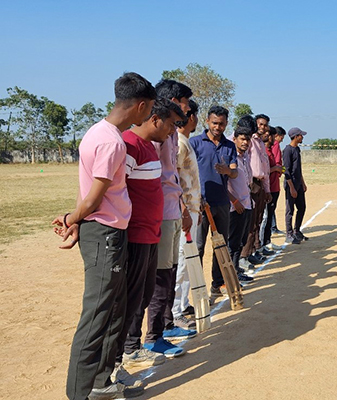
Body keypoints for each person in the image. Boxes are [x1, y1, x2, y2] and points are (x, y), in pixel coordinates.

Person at [53, 72, 155, 400]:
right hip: (105, 235)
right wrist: (72, 218)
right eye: (150, 109)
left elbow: (91, 196)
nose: (149, 116)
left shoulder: (97, 132)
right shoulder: (111, 141)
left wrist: (77, 219)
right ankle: (78, 394)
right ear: (140, 106)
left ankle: (102, 383)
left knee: (114, 310)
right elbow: (95, 198)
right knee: (97, 315)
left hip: (107, 231)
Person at [116, 98, 185, 384]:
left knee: (143, 295)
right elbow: (113, 190)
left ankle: (126, 354)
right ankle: (121, 358)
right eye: (170, 124)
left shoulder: (149, 147)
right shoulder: (128, 144)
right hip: (134, 234)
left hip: (152, 230)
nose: (172, 131)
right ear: (154, 117)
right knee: (128, 302)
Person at [144, 80, 196, 359]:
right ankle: (153, 337)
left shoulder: (172, 133)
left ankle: (165, 325)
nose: (188, 109)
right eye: (186, 103)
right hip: (162, 213)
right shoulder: (156, 135)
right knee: (162, 276)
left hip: (175, 210)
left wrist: (183, 209)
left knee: (171, 269)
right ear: (175, 101)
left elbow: (173, 176)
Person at [191, 106, 238, 297]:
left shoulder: (229, 146)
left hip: (222, 202)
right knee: (199, 247)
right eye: (215, 123)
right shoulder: (195, 143)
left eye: (222, 123)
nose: (218, 127)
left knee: (221, 245)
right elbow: (188, 172)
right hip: (201, 204)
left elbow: (235, 172)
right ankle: (198, 287)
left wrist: (228, 171)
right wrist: (197, 197)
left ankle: (217, 284)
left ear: (226, 124)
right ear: (207, 122)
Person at [173, 99, 201, 326]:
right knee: (182, 261)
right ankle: (174, 311)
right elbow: (174, 180)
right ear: (190, 117)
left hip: (192, 209)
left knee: (189, 259)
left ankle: (183, 304)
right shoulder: (179, 144)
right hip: (183, 211)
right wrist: (184, 208)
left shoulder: (185, 142)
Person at [241, 114, 273, 268]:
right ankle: (243, 257)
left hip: (260, 183)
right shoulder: (249, 141)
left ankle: (252, 252)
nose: (263, 127)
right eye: (260, 124)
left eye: (265, 125)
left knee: (257, 221)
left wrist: (267, 189)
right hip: (251, 182)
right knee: (249, 221)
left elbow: (265, 168)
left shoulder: (261, 142)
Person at [227, 127, 255, 281]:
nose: (245, 142)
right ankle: (230, 276)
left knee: (241, 241)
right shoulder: (230, 157)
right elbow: (224, 184)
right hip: (235, 206)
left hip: (247, 203)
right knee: (233, 242)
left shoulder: (245, 157)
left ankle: (236, 270)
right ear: (235, 139)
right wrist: (234, 201)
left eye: (248, 139)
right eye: (242, 139)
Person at [284, 127, 309, 244]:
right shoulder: (287, 150)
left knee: (302, 207)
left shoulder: (297, 150)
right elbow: (287, 171)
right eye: (300, 135)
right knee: (290, 210)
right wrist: (292, 188)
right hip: (291, 185)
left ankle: (297, 231)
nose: (302, 137)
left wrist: (302, 183)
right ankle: (289, 234)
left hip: (298, 184)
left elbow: (298, 168)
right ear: (295, 136)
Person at [262, 126, 284, 250]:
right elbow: (276, 165)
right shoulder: (272, 148)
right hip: (269, 187)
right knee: (265, 217)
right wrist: (277, 169)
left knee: (269, 215)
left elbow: (279, 166)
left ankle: (267, 241)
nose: (277, 140)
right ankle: (262, 243)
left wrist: (280, 170)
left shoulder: (271, 148)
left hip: (274, 186)